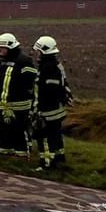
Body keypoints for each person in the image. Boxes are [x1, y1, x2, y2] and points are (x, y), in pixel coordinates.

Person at [0, 33, 37, 157]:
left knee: (19, 130)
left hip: (19, 106)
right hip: (3, 105)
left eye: (2, 48)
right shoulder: (0, 64)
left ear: (10, 47)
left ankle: (22, 155)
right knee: (4, 131)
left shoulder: (24, 62)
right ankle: (6, 154)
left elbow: (29, 84)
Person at [31, 35, 73, 170]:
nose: (36, 53)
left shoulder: (48, 69)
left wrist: (39, 111)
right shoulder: (55, 65)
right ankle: (60, 157)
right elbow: (63, 85)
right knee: (56, 135)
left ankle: (47, 163)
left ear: (43, 51)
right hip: (56, 109)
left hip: (48, 110)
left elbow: (47, 92)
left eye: (38, 51)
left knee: (44, 136)